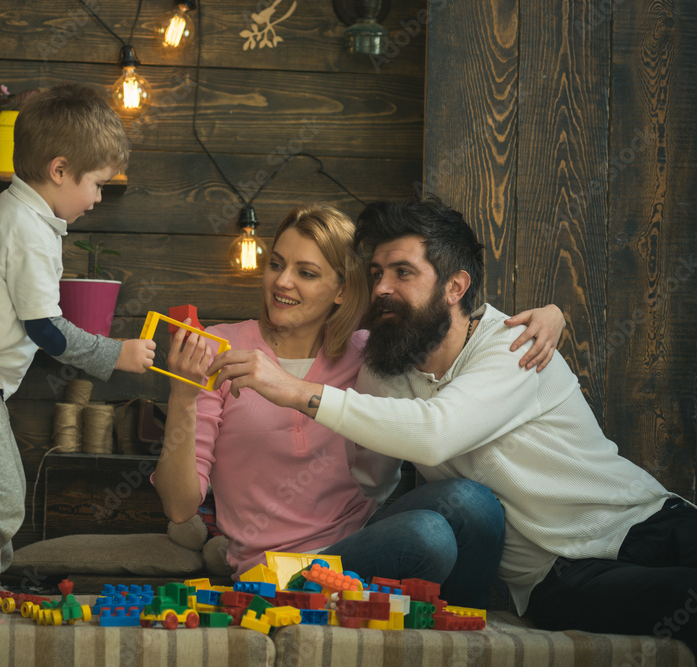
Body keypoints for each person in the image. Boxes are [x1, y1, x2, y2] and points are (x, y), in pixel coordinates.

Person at [209, 196, 696, 651]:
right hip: (562, 578)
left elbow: (432, 433)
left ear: (455, 286)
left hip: (647, 521)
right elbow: (373, 479)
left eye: (402, 272)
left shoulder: (515, 344)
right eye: (376, 273)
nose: (381, 288)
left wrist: (294, 393)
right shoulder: (380, 368)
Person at [154, 203, 566, 608]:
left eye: (306, 273)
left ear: (342, 290)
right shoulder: (219, 348)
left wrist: (552, 315)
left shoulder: (372, 354)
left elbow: (451, 339)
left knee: (475, 502)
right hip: (276, 572)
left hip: (363, 546)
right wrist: (183, 396)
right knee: (430, 538)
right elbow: (179, 506)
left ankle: (472, 629)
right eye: (276, 264)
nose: (282, 282)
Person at [0, 83, 156, 622]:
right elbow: (48, 330)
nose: (96, 198)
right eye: (96, 184)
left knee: (2, 495)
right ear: (61, 169)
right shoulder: (31, 232)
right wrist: (116, 354)